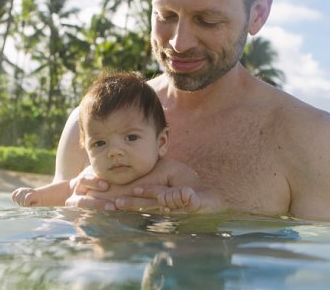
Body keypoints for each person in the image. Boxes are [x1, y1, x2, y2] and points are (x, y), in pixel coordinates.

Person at [54, 0, 330, 222]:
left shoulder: (311, 140)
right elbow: (53, 246)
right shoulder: (94, 123)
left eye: (208, 20)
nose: (179, 42)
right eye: (166, 16)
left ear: (258, 14)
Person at [12, 72, 223, 213]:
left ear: (161, 142)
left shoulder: (168, 173)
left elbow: (215, 199)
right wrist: (38, 196)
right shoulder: (89, 176)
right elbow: (66, 189)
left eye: (131, 138)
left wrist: (193, 200)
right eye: (100, 143)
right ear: (85, 147)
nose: (114, 152)